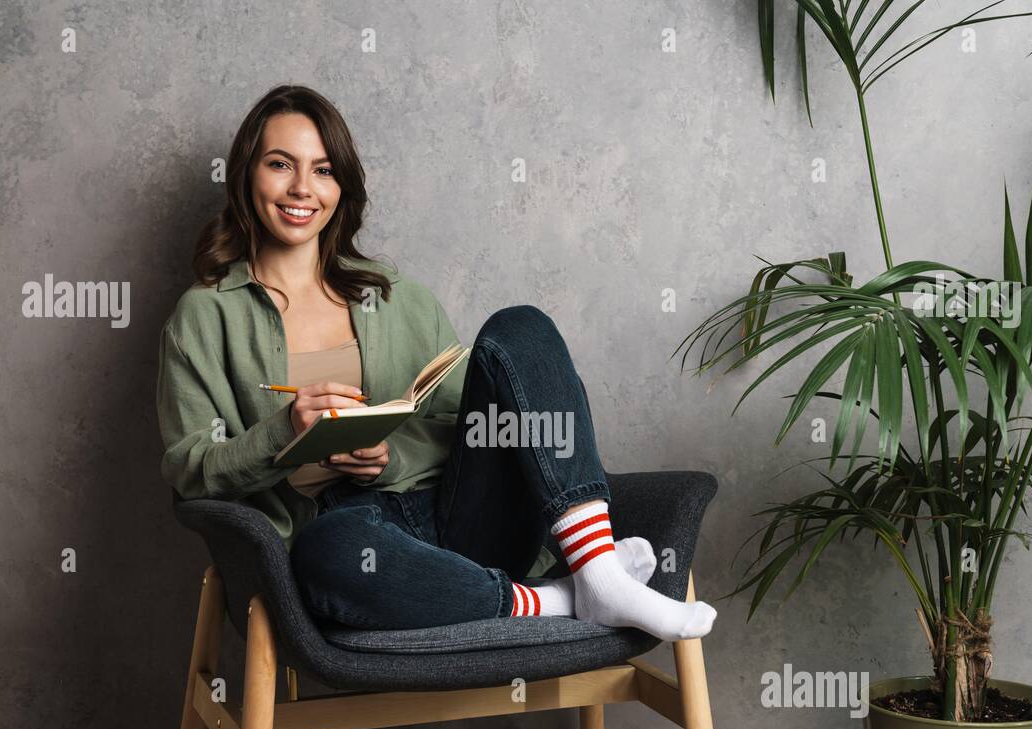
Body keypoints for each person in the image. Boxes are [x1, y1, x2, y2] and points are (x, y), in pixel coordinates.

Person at [156, 85, 716, 642]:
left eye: (323, 170)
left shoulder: (399, 296)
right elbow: (190, 468)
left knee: (520, 327)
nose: (302, 188)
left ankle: (595, 569)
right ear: (246, 174)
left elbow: (477, 427)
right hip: (348, 538)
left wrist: (388, 456)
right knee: (327, 555)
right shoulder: (204, 316)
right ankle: (562, 597)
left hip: (457, 517)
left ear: (341, 185)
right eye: (281, 164)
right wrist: (285, 433)